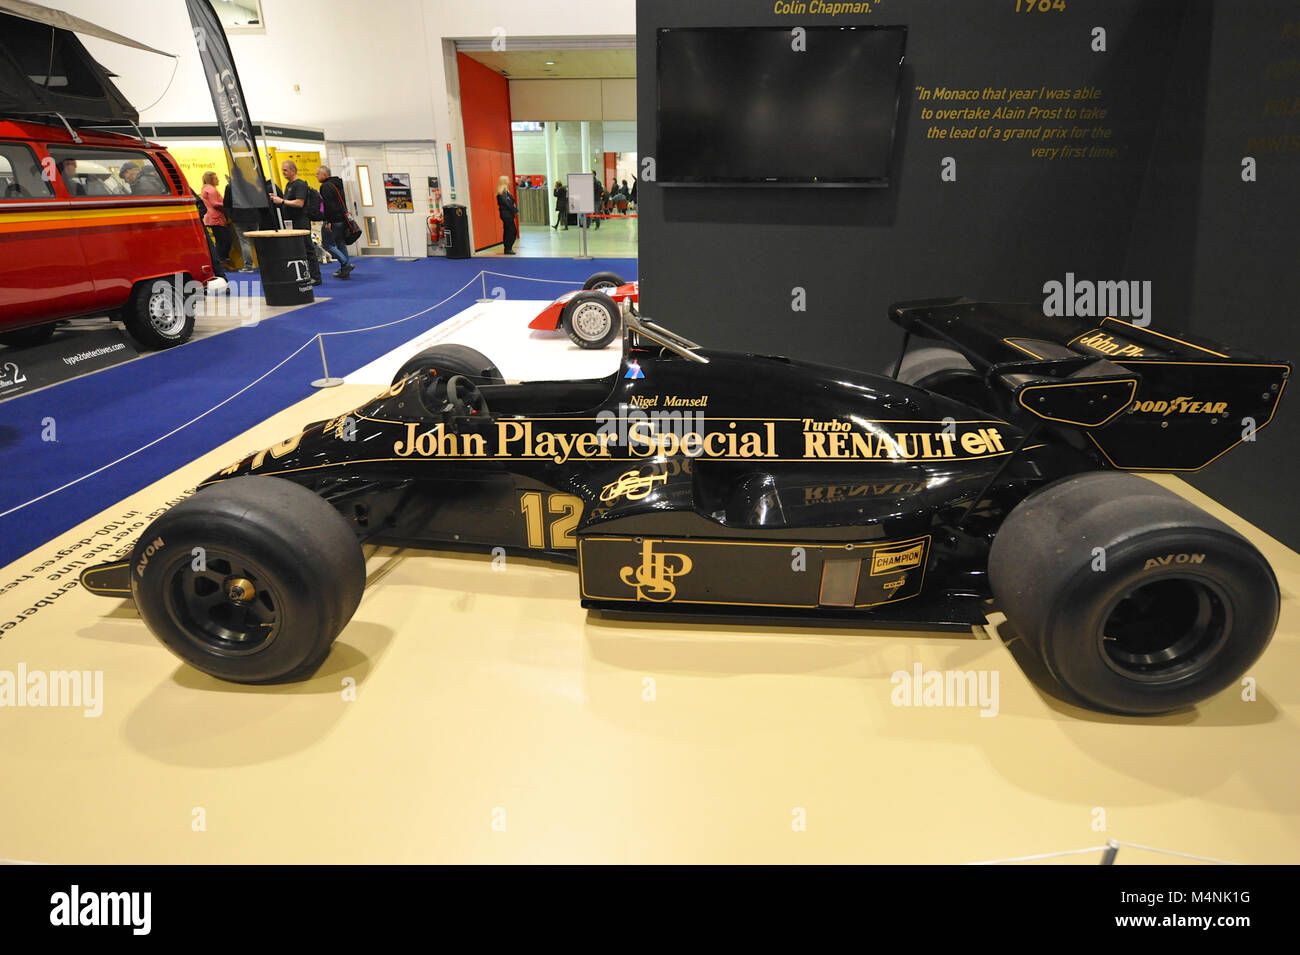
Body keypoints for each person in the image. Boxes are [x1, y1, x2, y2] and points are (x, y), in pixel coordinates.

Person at [269, 159, 321, 285]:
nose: (283, 172)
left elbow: (299, 203)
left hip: (301, 221)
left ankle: (316, 276)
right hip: (291, 222)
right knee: (297, 250)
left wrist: (281, 201)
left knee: (307, 248)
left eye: (285, 170)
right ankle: (304, 274)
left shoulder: (300, 185)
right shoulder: (289, 185)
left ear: (293, 170)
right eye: (282, 170)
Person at [316, 164, 353, 279]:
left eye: (318, 174)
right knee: (340, 242)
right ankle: (344, 268)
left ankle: (345, 264)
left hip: (333, 220)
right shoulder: (337, 184)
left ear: (324, 175)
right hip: (341, 219)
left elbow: (329, 205)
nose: (316, 176)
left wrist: (328, 221)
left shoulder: (326, 186)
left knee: (327, 244)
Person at [222, 174, 259, 270]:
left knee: (244, 242)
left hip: (239, 217)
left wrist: (231, 214)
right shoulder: (250, 185)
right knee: (257, 241)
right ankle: (263, 263)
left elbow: (226, 203)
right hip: (253, 216)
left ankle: (248, 266)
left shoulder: (230, 186)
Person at [200, 171, 233, 270]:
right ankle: (221, 262)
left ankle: (222, 261)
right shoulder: (211, 190)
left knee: (222, 240)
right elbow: (215, 203)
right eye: (215, 178)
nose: (218, 179)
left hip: (212, 218)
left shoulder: (206, 189)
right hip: (215, 218)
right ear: (210, 179)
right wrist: (227, 204)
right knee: (224, 240)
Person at [496, 174, 518, 255]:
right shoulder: (502, 193)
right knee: (512, 231)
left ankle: (507, 248)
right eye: (507, 180)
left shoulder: (505, 192)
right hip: (506, 214)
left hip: (507, 214)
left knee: (507, 231)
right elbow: (508, 203)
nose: (509, 181)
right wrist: (514, 210)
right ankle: (508, 248)